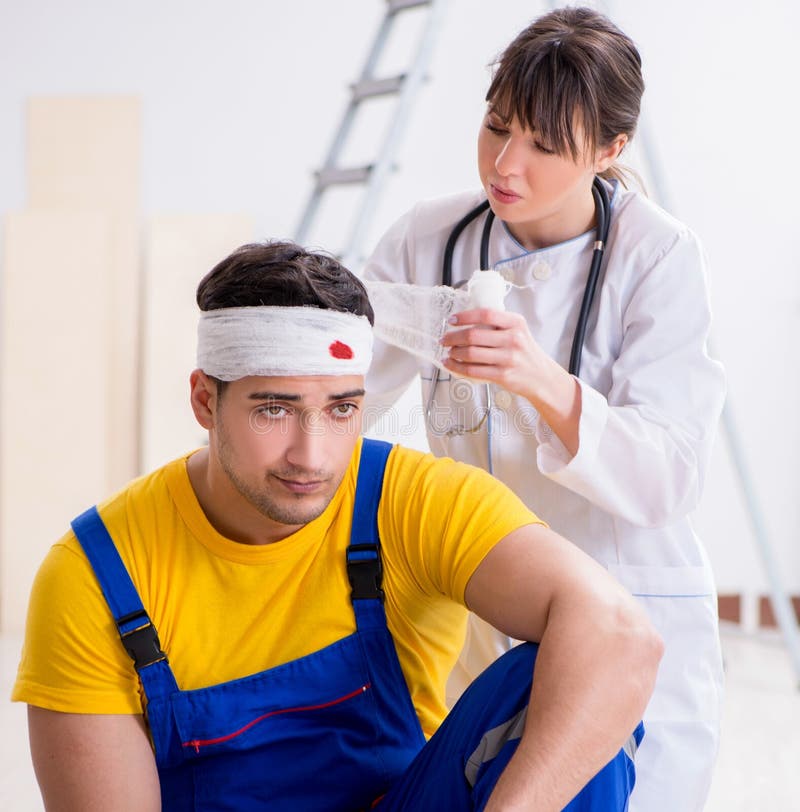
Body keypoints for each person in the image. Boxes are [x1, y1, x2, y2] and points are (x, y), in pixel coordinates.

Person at [12, 240, 661, 811]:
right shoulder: (95, 577)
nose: (312, 455)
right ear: (206, 401)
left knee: (566, 686)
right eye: (275, 410)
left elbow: (622, 637)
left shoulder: (406, 502)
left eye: (341, 409)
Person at [360, 7, 725, 812]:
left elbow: (669, 477)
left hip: (630, 599)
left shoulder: (658, 258)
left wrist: (541, 382)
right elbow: (346, 369)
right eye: (496, 127)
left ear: (609, 151)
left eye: (544, 146)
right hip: (491, 602)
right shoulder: (433, 236)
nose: (505, 163)